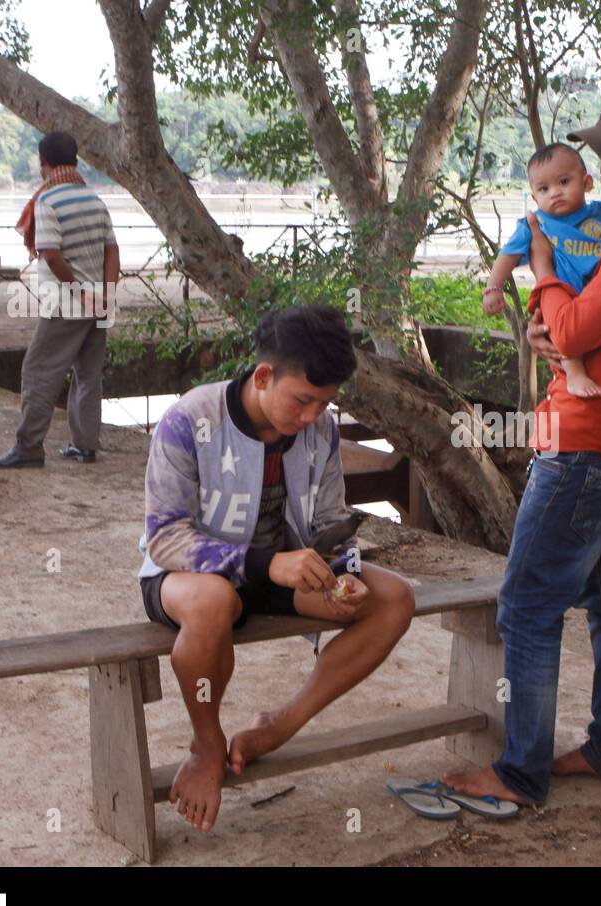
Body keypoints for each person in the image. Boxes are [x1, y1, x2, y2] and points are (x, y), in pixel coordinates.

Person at [442, 92, 601, 806]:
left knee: (526, 604)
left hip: (586, 444)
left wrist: (546, 274)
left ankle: (520, 773)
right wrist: (546, 322)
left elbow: (580, 327)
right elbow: (579, 327)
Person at [138, 304, 416, 833]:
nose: (312, 417)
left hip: (283, 572)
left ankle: (279, 726)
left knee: (395, 599)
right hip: (185, 580)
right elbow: (165, 537)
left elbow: (333, 524)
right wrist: (267, 563)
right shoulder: (189, 420)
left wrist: (346, 572)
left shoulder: (321, 431)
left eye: (325, 403)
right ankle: (206, 741)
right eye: (303, 400)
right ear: (264, 376)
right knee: (216, 600)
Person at [0, 131, 119, 468]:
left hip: (66, 303)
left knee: (38, 372)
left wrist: (79, 292)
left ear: (43, 162)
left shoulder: (48, 202)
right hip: (98, 303)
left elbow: (51, 256)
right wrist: (106, 293)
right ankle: (85, 445)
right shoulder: (94, 200)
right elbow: (112, 250)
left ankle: (28, 448)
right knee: (88, 375)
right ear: (75, 160)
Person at [483, 142, 601, 398]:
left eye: (564, 182)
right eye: (544, 189)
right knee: (557, 330)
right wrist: (493, 288)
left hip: (597, 294)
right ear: (534, 197)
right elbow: (507, 255)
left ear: (586, 183)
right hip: (559, 295)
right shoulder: (536, 224)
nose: (555, 193)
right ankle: (574, 373)